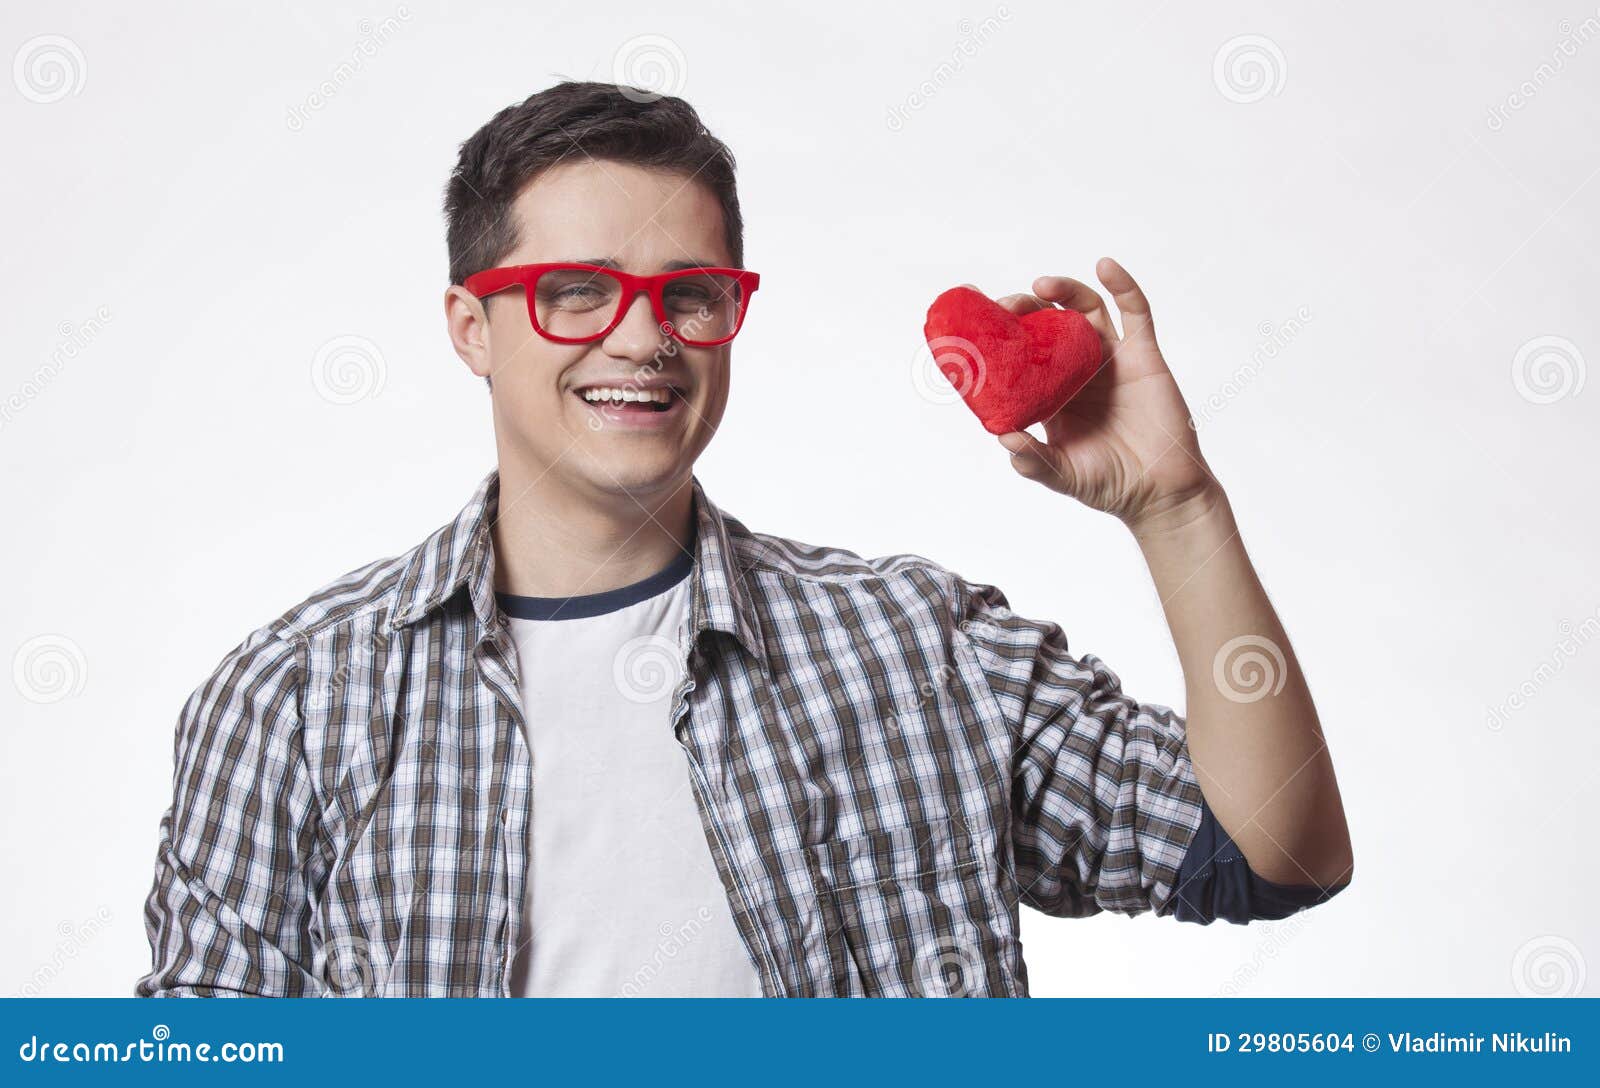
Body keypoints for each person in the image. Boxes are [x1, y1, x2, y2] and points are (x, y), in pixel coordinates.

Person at [136, 81, 1352, 998]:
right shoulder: (294, 700)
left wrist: (1175, 509)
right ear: (471, 326)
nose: (643, 335)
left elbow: (1275, 850)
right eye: (577, 289)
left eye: (690, 293)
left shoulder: (917, 646)